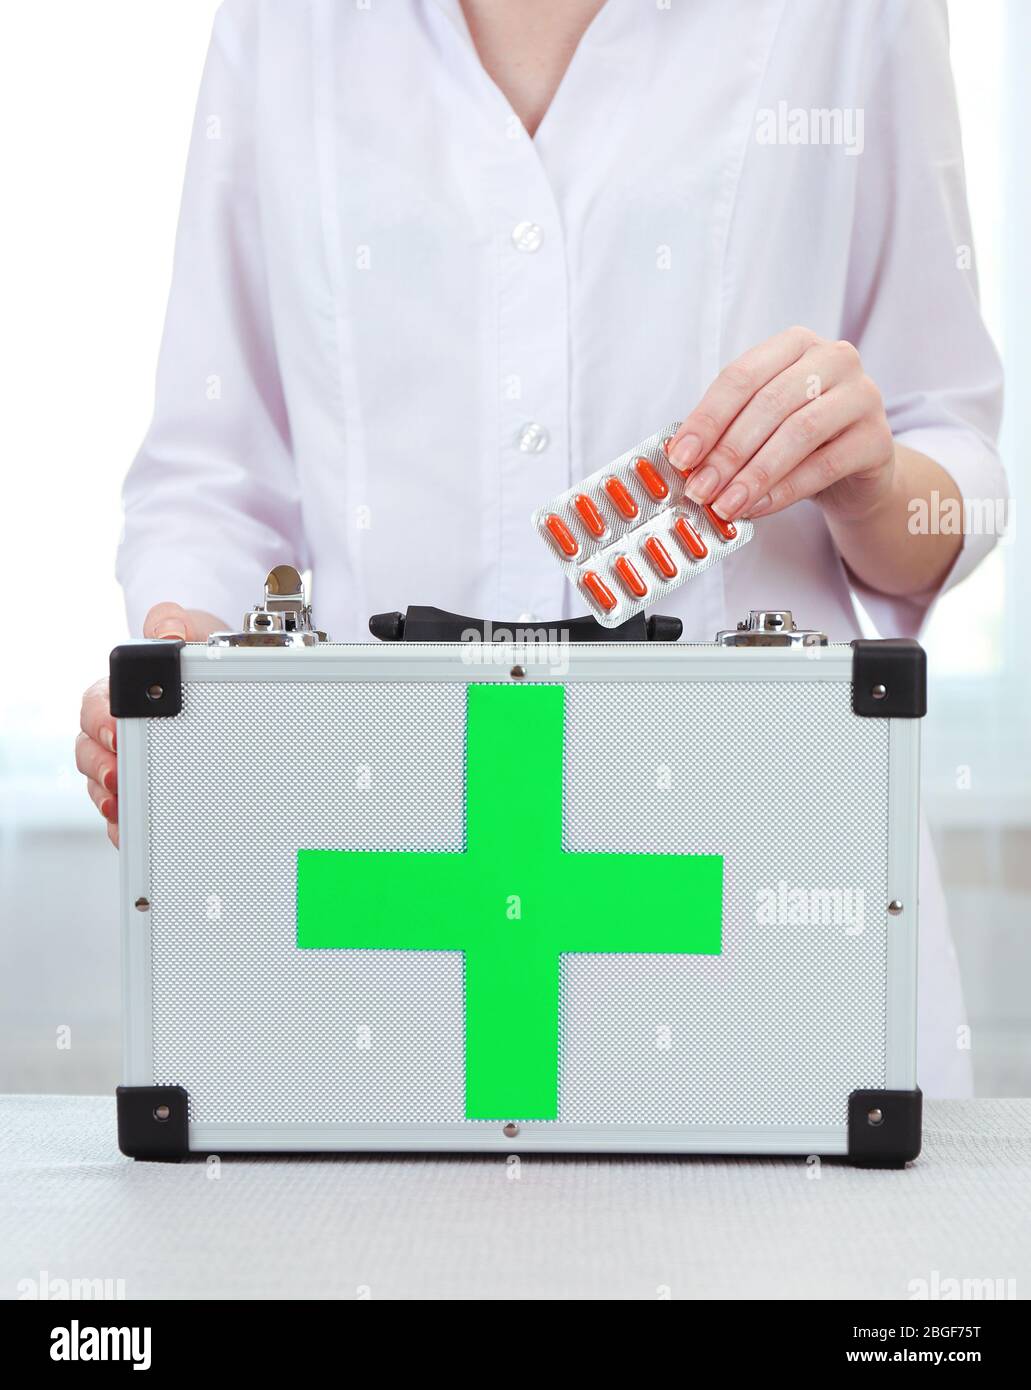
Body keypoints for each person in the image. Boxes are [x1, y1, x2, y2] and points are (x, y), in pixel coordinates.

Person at [76, 0, 1005, 1096]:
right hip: (391, 903)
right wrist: (185, 666)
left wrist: (871, 479)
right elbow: (214, 473)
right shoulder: (283, 24)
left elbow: (953, 470)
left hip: (769, 907)